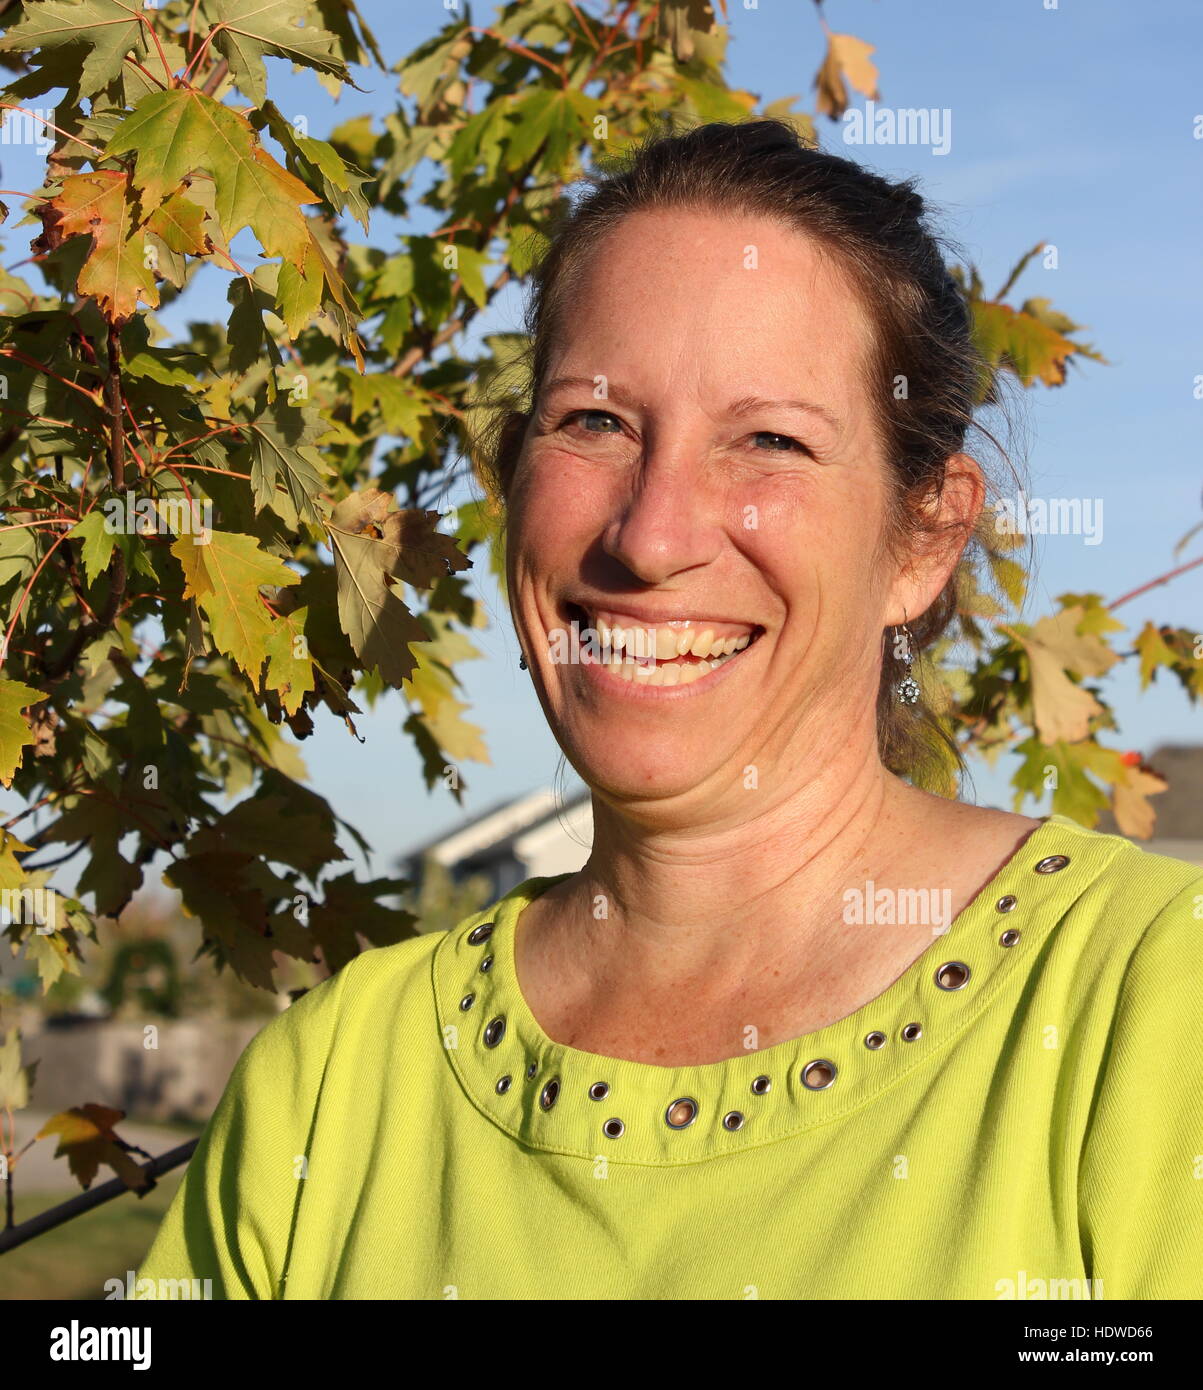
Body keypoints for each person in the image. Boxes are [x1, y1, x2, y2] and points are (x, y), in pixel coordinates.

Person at [137, 119, 1203, 1300]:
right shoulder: (332, 1080)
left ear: (924, 537)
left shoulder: (1149, 1004)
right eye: (594, 421)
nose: (650, 536)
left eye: (771, 441)